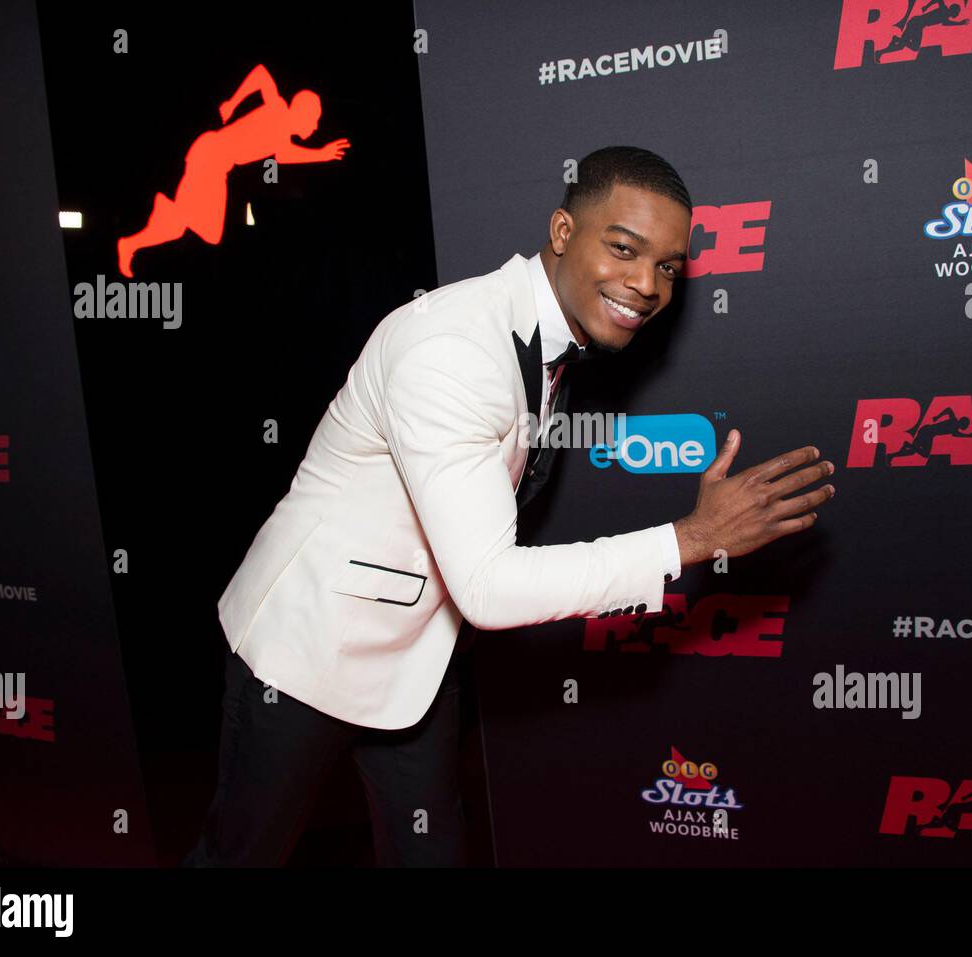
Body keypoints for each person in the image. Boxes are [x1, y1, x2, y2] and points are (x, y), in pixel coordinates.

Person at [182, 145, 836, 866]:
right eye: (624, 248)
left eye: (669, 268)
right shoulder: (454, 349)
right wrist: (687, 538)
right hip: (303, 648)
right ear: (562, 232)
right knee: (239, 856)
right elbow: (489, 585)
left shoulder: (549, 337)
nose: (647, 284)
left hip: (415, 658)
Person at [117, 63, 349, 277]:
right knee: (190, 227)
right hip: (210, 157)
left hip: (218, 165)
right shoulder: (278, 110)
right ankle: (155, 221)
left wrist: (321, 154)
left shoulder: (281, 133)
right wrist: (232, 102)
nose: (316, 126)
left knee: (209, 232)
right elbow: (260, 72)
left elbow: (285, 155)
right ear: (302, 113)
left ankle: (157, 222)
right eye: (314, 119)